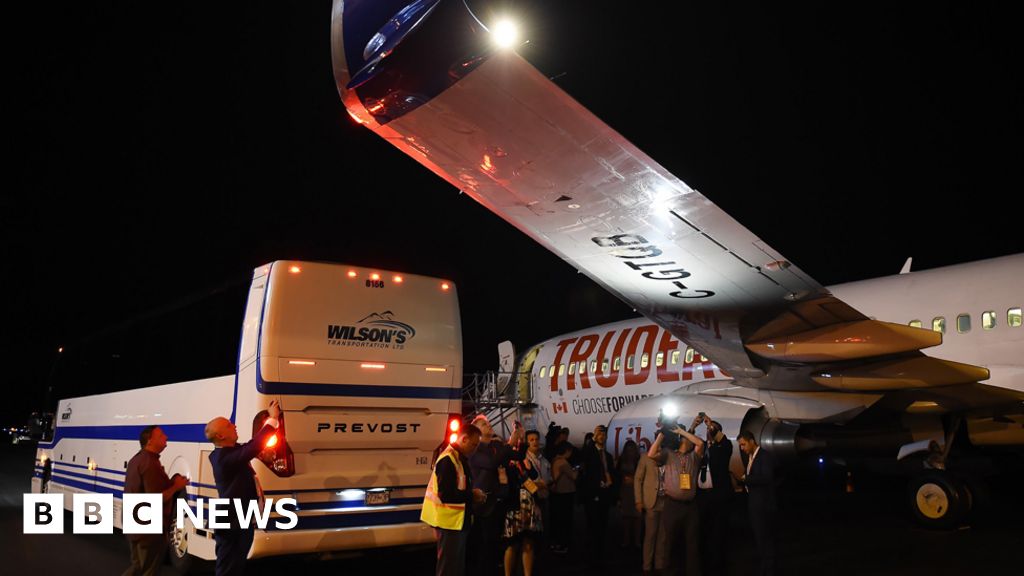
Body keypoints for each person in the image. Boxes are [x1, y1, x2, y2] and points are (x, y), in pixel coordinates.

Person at [204, 400, 281, 576]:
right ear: (221, 436)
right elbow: (253, 446)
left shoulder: (227, 453)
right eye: (229, 425)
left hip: (238, 518)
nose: (234, 426)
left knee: (234, 564)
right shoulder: (223, 459)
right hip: (232, 520)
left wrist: (263, 454)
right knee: (228, 567)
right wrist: (273, 418)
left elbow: (248, 449)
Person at [122, 425, 189, 576]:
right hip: (148, 530)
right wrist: (176, 486)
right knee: (149, 570)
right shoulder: (150, 464)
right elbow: (155, 499)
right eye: (161, 436)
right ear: (150, 441)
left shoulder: (137, 459)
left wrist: (171, 482)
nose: (166, 437)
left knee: (138, 567)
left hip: (135, 525)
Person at [422, 424, 487, 576]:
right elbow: (446, 494)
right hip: (448, 524)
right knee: (449, 568)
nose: (475, 449)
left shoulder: (458, 458)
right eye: (474, 444)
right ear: (464, 439)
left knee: (455, 567)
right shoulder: (448, 459)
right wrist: (473, 496)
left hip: (455, 523)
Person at [649, 418, 704, 576]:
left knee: (692, 543)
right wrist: (662, 434)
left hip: (690, 506)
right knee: (669, 543)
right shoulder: (669, 454)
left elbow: (700, 443)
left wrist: (682, 431)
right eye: (687, 437)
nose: (690, 439)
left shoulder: (694, 456)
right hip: (672, 505)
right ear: (682, 440)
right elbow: (651, 453)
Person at [468, 415, 519, 576]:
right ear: (477, 432)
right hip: (482, 506)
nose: (489, 425)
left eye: (488, 423)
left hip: (498, 501)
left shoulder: (494, 446)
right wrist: (510, 442)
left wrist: (520, 438)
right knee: (484, 546)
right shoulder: (475, 450)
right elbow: (492, 462)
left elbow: (517, 456)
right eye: (484, 424)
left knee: (495, 545)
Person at [502, 430, 550, 576]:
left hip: (529, 504)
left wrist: (531, 479)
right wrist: (532, 482)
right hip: (515, 505)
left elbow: (537, 479)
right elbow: (523, 482)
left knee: (529, 542)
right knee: (512, 543)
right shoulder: (508, 462)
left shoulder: (527, 463)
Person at [694, 416, 733, 575]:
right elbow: (686, 443)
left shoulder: (724, 446)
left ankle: (719, 566)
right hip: (703, 496)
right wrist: (693, 425)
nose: (708, 431)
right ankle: (705, 565)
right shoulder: (702, 447)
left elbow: (721, 438)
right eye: (708, 429)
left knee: (718, 533)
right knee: (703, 532)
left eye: (711, 429)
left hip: (718, 496)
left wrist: (711, 424)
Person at [739, 430, 778, 576]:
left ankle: (769, 570)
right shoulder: (751, 457)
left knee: (766, 540)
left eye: (743, 445)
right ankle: (765, 568)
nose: (742, 448)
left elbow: (767, 478)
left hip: (763, 506)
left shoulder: (764, 456)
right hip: (755, 504)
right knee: (760, 540)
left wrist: (746, 479)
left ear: (751, 441)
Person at [580, 424, 616, 567]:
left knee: (603, 524)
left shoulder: (607, 455)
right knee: (592, 525)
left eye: (604, 434)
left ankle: (600, 553)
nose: (602, 437)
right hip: (592, 493)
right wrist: (592, 440)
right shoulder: (590, 452)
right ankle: (591, 555)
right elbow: (583, 457)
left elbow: (610, 470)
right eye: (599, 434)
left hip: (605, 493)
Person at [634, 438, 668, 576]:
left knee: (663, 536)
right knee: (650, 535)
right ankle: (647, 566)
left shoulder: (668, 457)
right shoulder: (645, 458)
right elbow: (638, 479)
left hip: (665, 501)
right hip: (650, 501)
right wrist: (638, 500)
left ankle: (659, 564)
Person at [548, 442, 577, 553]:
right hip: (565, 493)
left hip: (556, 493)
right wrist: (577, 470)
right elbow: (573, 476)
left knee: (557, 519)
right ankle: (563, 544)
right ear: (567, 451)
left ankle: (555, 543)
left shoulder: (554, 460)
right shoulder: (563, 462)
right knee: (565, 520)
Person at [616, 439, 642, 548]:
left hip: (636, 490)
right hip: (625, 490)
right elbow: (616, 476)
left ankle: (637, 541)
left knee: (637, 517)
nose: (630, 451)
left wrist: (634, 479)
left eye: (632, 449)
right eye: (628, 449)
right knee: (626, 517)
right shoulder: (621, 460)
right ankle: (626, 540)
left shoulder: (638, 460)